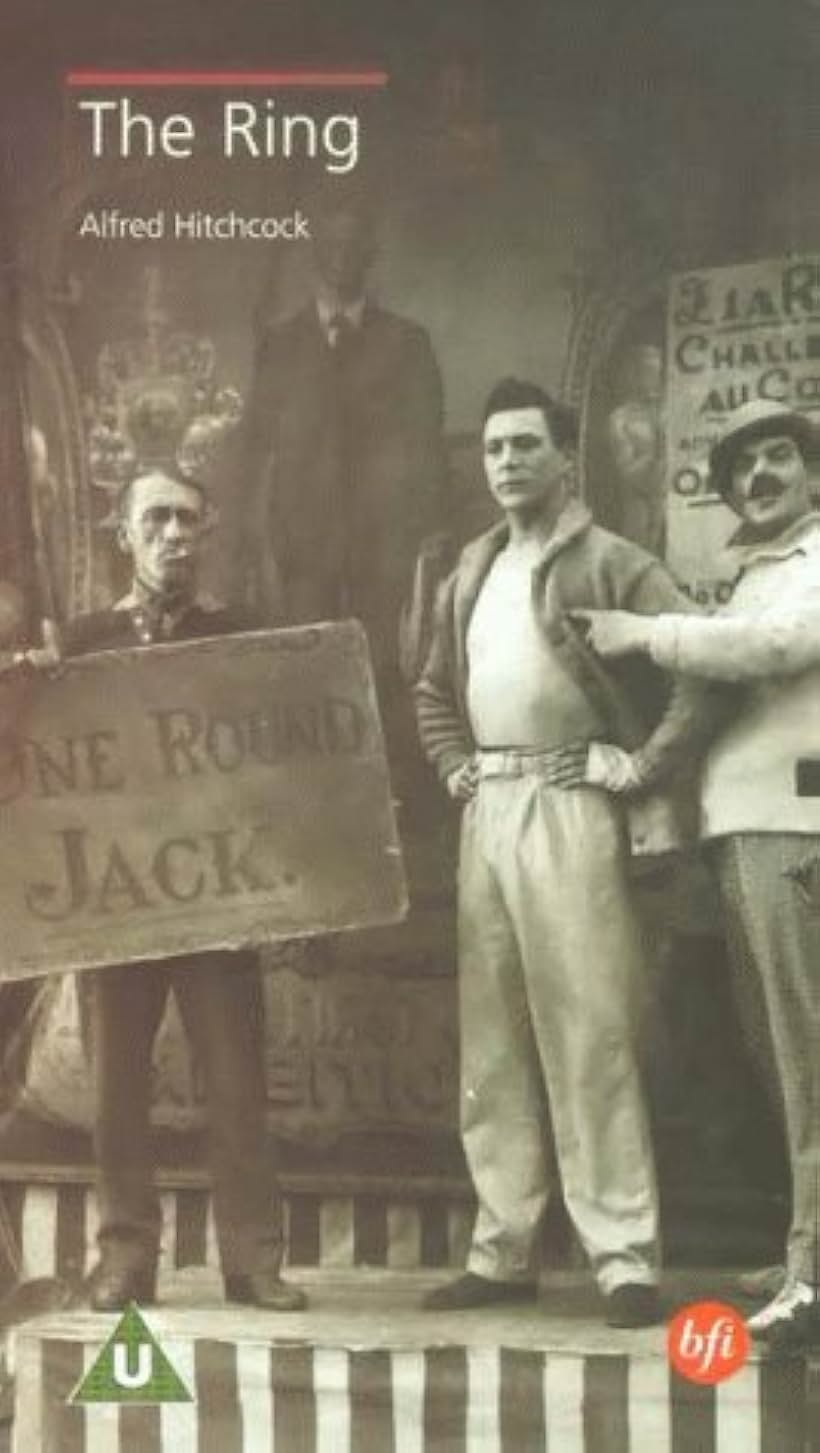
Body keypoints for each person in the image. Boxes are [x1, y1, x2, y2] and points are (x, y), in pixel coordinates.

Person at [414, 376, 705, 1328]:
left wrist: (642, 764)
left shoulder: (616, 562)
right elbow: (430, 689)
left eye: (525, 446)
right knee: (493, 1043)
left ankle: (623, 1254)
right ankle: (503, 1247)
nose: (506, 463)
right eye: (494, 448)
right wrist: (455, 761)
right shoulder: (471, 566)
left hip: (575, 803)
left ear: (564, 456)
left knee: (590, 1030)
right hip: (488, 807)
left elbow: (694, 673)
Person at [25, 465, 306, 1313]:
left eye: (189, 519)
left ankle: (253, 1259)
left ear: (207, 533)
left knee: (237, 1080)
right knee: (115, 1086)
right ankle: (125, 1257)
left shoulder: (242, 636)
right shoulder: (78, 645)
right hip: (116, 905)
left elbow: (280, 762)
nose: (174, 534)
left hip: (216, 901)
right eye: (157, 519)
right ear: (125, 534)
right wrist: (32, 687)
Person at [574, 398, 820, 1342]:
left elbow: (774, 648)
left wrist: (646, 634)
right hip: (749, 830)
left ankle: (813, 1269)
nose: (761, 476)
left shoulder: (805, 566)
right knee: (777, 1053)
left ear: (806, 471)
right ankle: (806, 1247)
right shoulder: (753, 574)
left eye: (778, 458)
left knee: (806, 1055)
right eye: (743, 466)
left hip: (796, 827)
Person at [238, 190, 446, 683]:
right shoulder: (280, 345)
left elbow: (428, 446)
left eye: (352, 247)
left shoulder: (407, 344)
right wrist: (262, 543)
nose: (340, 259)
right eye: (330, 246)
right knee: (310, 681)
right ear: (313, 251)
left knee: (383, 677)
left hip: (384, 550)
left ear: (370, 254)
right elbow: (257, 447)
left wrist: (427, 533)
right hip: (304, 554)